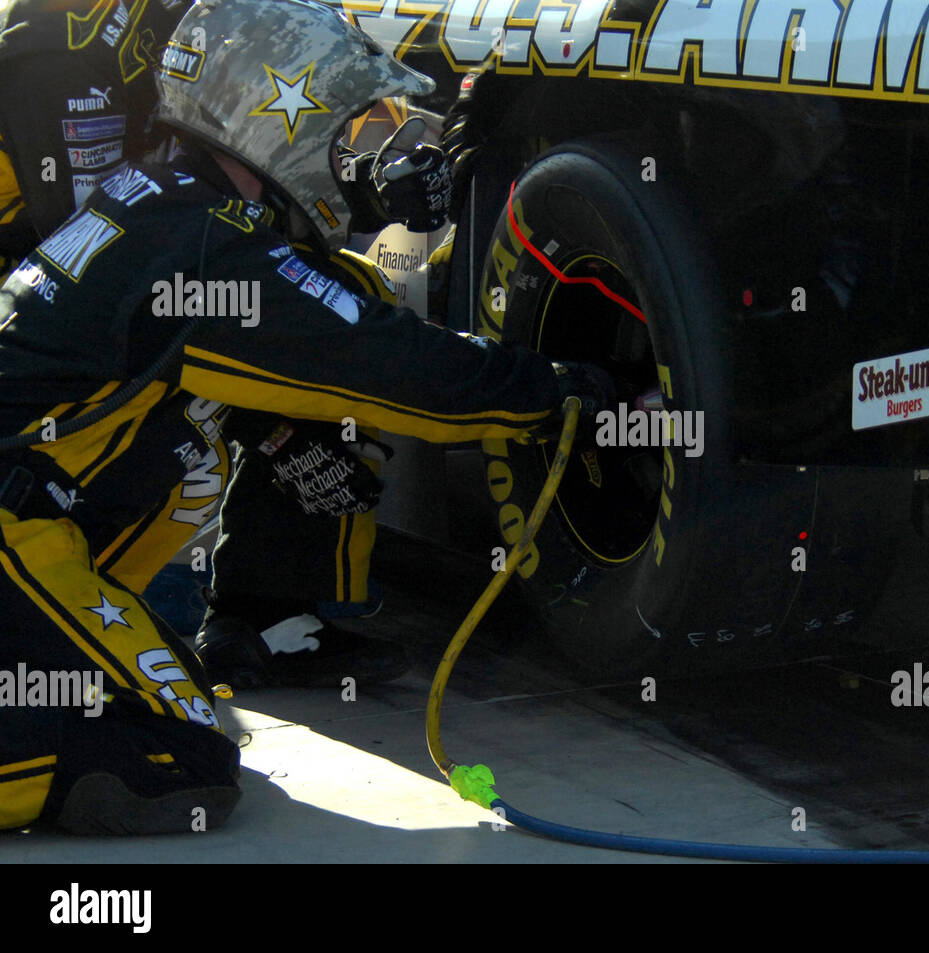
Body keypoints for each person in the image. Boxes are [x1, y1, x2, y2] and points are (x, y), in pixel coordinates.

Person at [0, 0, 613, 833]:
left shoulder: (175, 206)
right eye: (349, 129)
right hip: (11, 523)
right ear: (268, 117)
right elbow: (397, 367)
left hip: (33, 521)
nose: (363, 155)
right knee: (170, 757)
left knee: (177, 689)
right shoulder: (210, 249)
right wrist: (563, 391)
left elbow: (355, 315)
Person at [0, 0, 460, 690]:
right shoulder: (66, 46)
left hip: (78, 297)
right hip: (29, 335)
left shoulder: (196, 18)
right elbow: (113, 285)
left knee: (337, 289)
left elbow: (210, 213)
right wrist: (271, 421)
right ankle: (69, 601)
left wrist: (368, 192)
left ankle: (266, 614)